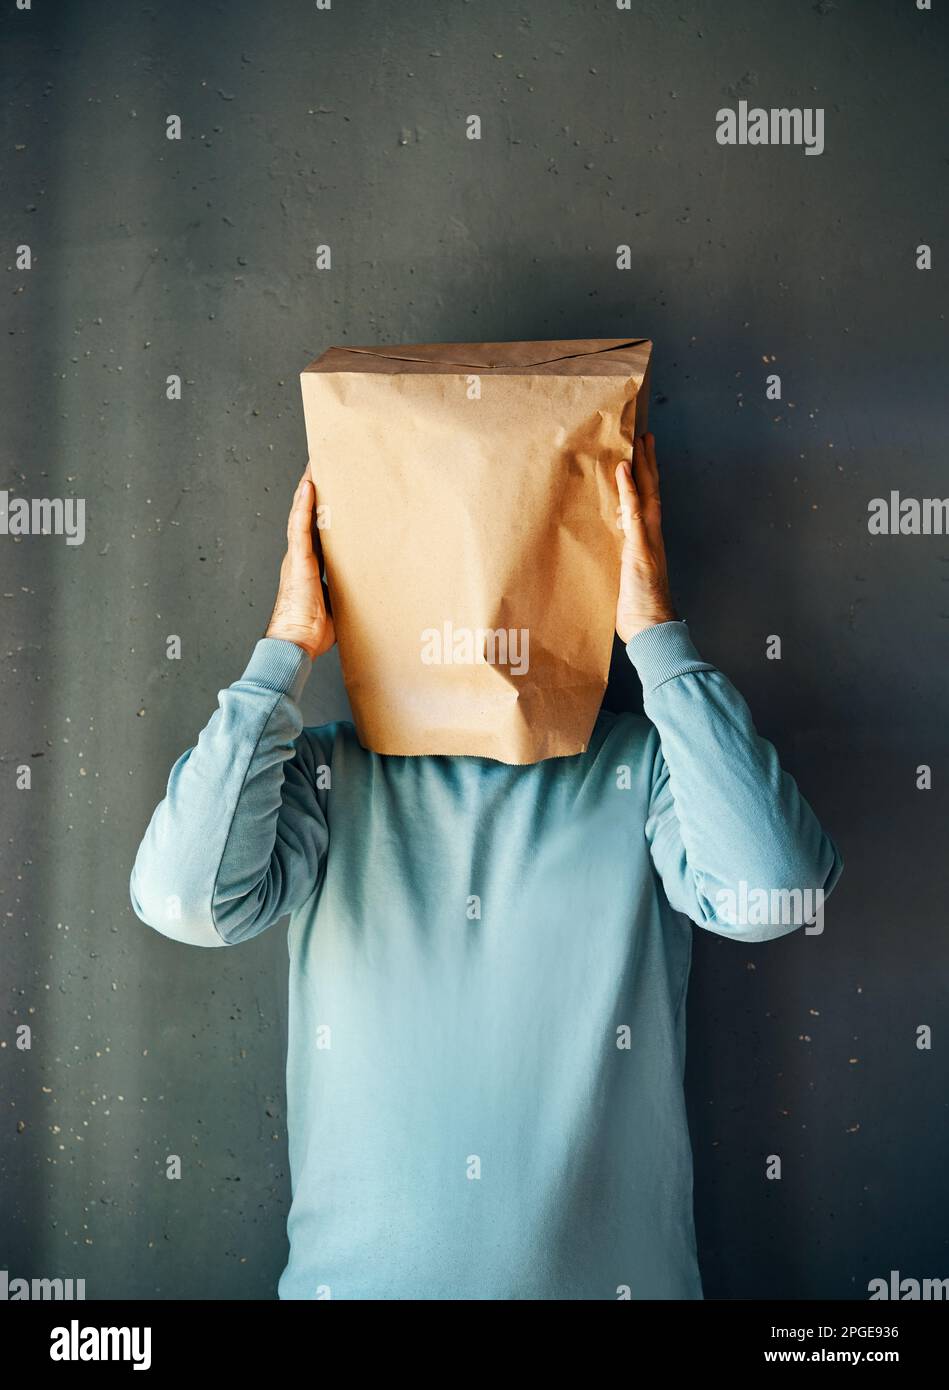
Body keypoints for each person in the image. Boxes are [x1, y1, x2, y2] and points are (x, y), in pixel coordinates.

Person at [130, 433, 843, 1300]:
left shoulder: (647, 764)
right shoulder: (323, 775)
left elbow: (772, 893)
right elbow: (184, 902)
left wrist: (656, 637)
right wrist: (284, 650)